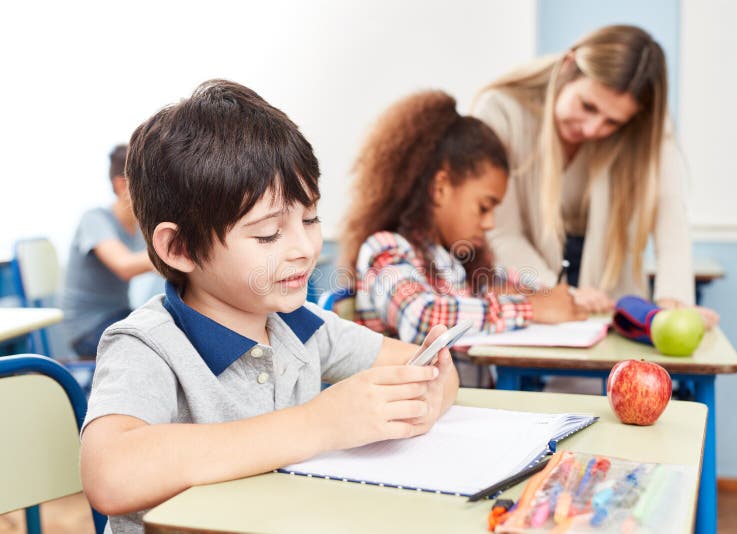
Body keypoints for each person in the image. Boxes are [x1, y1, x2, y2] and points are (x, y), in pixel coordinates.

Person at [79, 80, 459, 534]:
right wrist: (317, 424)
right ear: (179, 247)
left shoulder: (299, 324)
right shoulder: (148, 344)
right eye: (267, 234)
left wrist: (427, 398)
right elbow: (111, 474)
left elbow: (426, 365)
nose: (304, 247)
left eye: (311, 218)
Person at [473, 24, 718, 327]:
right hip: (526, 273)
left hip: (608, 282)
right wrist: (557, 292)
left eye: (612, 123)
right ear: (568, 66)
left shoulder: (646, 126)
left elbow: (670, 216)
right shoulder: (500, 110)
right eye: (587, 106)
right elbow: (502, 232)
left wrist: (675, 302)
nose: (591, 130)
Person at [338, 90, 587, 345]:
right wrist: (532, 308)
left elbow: (511, 283)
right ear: (441, 188)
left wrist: (567, 297)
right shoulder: (386, 250)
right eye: (483, 207)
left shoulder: (457, 261)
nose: (489, 224)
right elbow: (424, 318)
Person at [61, 144, 154, 358]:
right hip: (88, 327)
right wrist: (176, 252)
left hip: (120, 314)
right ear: (122, 186)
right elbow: (124, 266)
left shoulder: (141, 224)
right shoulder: (94, 219)